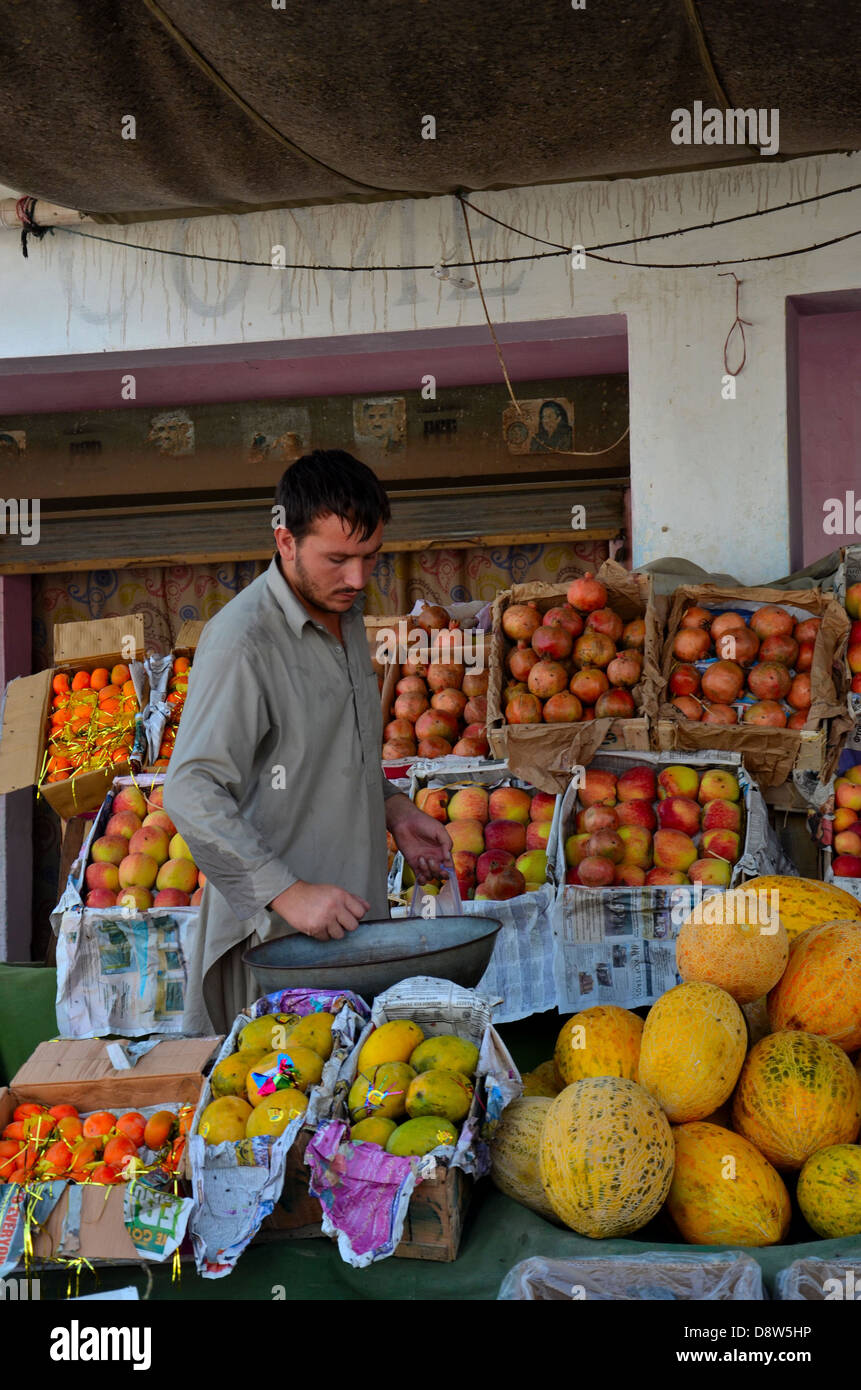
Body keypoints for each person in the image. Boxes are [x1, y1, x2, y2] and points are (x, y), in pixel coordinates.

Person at [164, 449, 453, 1033]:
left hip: (350, 934)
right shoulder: (242, 641)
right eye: (338, 559)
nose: (357, 578)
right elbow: (189, 790)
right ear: (286, 541)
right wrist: (287, 892)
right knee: (279, 1109)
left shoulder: (343, 615)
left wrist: (393, 807)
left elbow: (332, 751)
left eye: (371, 558)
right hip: (276, 949)